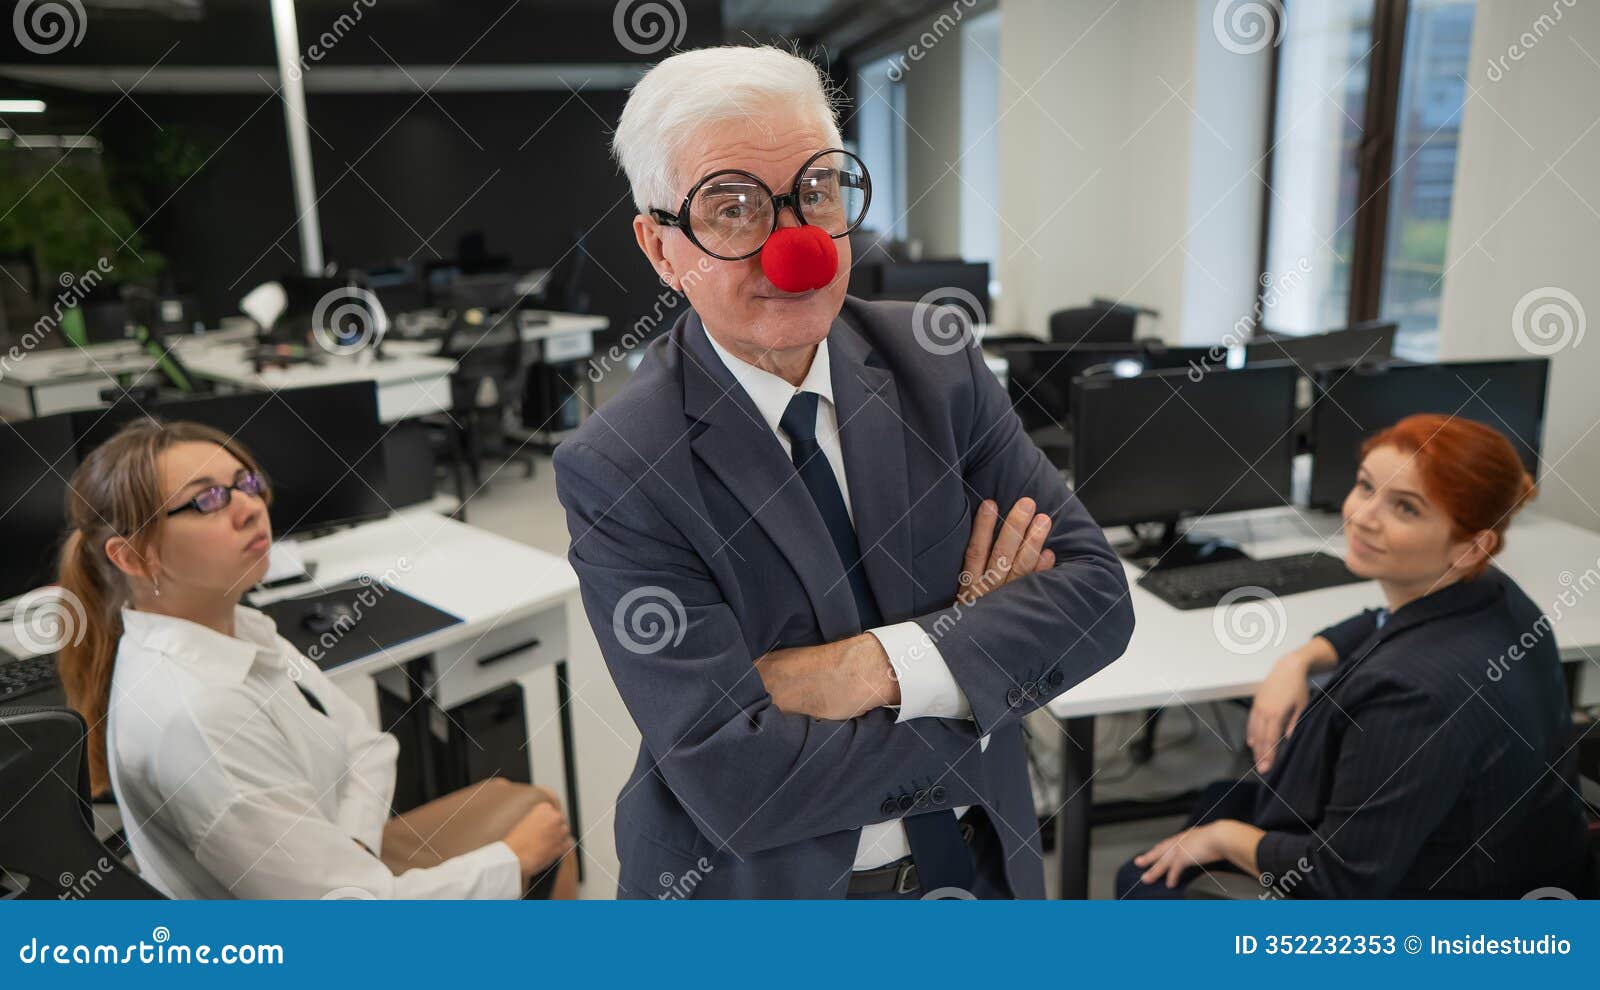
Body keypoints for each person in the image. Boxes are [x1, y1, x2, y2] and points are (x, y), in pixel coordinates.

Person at [554, 45, 1134, 899]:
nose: (795, 247)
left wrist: (865, 668)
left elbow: (1095, 600)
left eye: (816, 192)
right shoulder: (619, 466)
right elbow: (739, 782)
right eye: (733, 208)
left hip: (981, 869)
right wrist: (976, 675)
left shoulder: (936, 363)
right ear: (661, 248)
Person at [55, 418, 578, 899]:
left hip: (331, 862)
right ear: (132, 556)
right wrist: (510, 861)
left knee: (532, 804)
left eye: (246, 483)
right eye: (208, 500)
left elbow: (366, 745)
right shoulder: (201, 716)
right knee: (537, 830)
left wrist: (350, 846)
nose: (249, 507)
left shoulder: (235, 627)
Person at [1122, 414, 1590, 899]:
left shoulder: (1414, 696)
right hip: (1517, 871)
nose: (1363, 515)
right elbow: (1379, 620)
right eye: (1366, 486)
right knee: (1220, 798)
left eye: (1405, 508)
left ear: (1471, 547)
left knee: (1142, 881)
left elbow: (1340, 880)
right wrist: (1299, 660)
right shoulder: (1493, 594)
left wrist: (1221, 839)